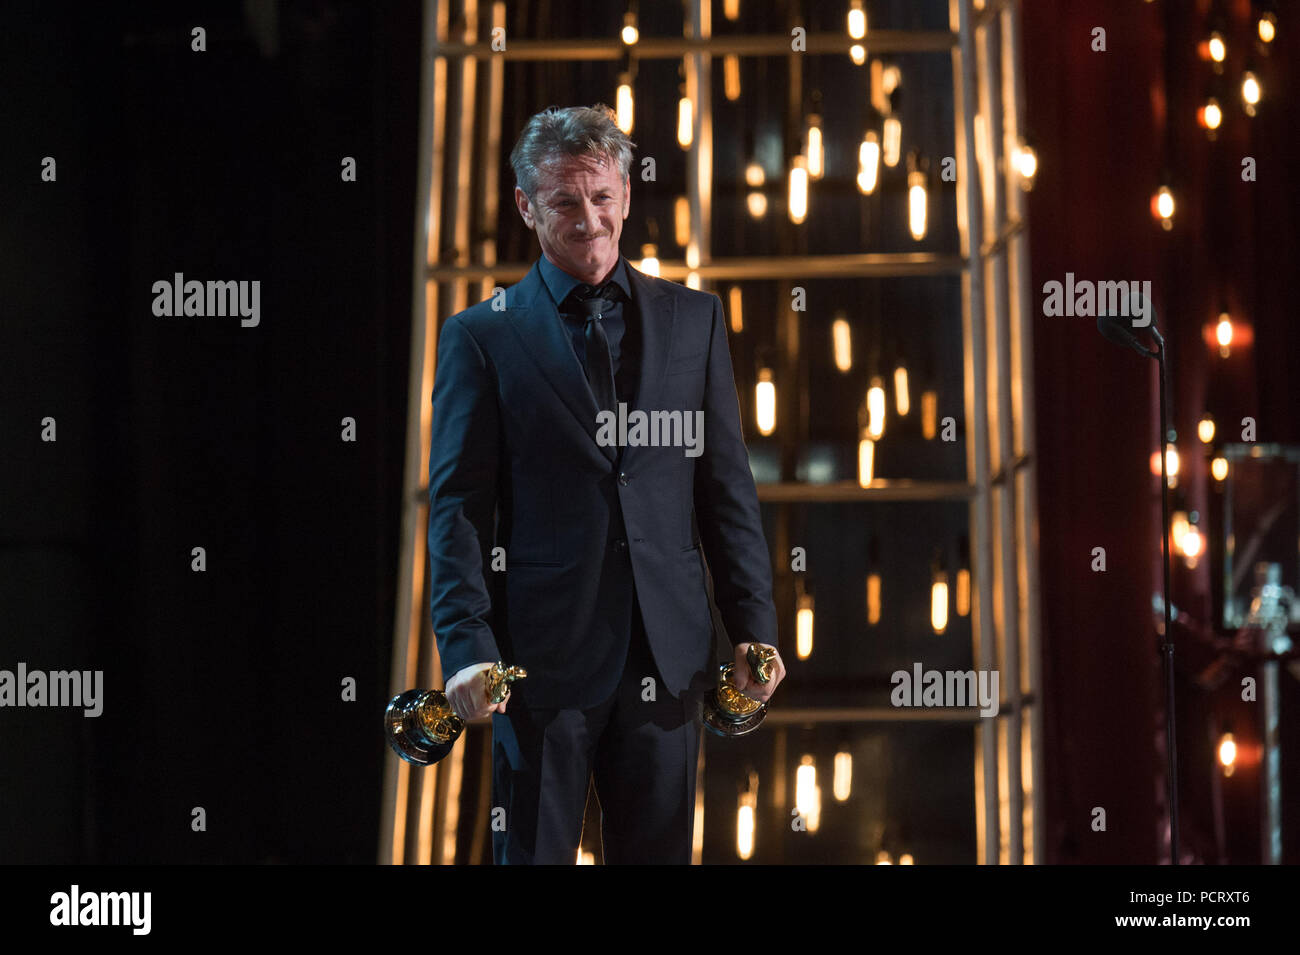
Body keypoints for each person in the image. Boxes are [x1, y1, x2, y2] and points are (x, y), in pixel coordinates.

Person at [427, 103, 784, 864]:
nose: (589, 219)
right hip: (540, 658)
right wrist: (464, 646)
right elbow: (458, 507)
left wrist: (755, 626)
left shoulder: (697, 320)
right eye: (564, 200)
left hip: (672, 653)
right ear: (527, 205)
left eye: (602, 196)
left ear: (625, 191)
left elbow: (725, 488)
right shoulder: (480, 336)